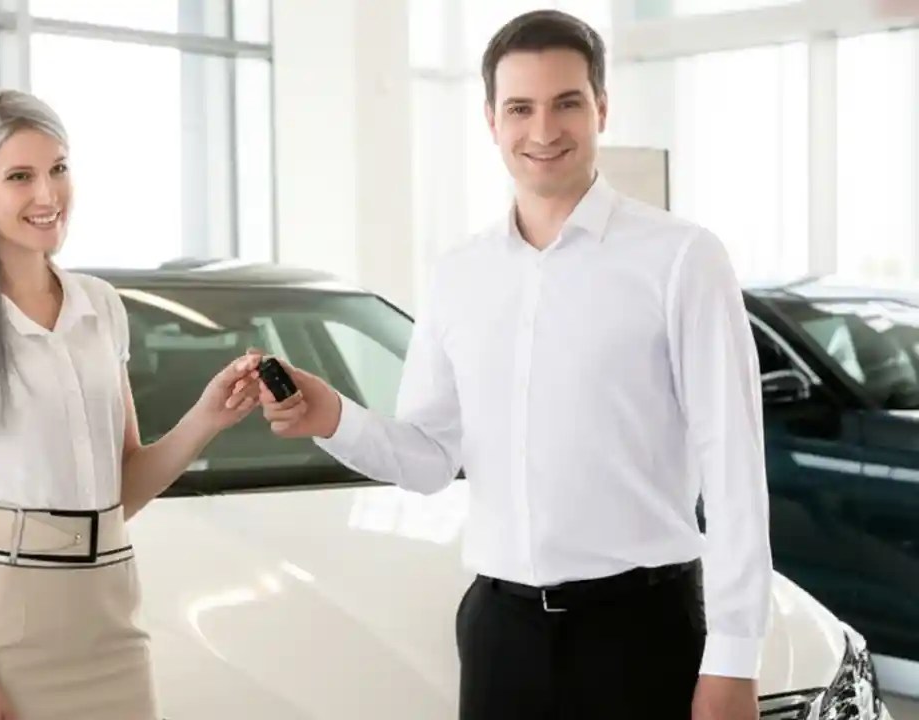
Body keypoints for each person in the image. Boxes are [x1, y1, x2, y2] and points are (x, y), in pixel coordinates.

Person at [250, 10, 771, 720]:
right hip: (501, 635)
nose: (543, 130)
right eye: (520, 108)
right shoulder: (459, 274)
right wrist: (332, 417)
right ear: (491, 120)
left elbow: (734, 467)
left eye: (567, 103)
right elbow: (431, 459)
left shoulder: (682, 257)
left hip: (641, 633)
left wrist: (734, 659)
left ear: (602, 108)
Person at [0, 89, 261, 720]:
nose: (47, 194)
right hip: (12, 619)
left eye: (58, 168)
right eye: (20, 176)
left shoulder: (100, 306)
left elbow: (122, 490)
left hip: (112, 608)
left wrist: (207, 417)